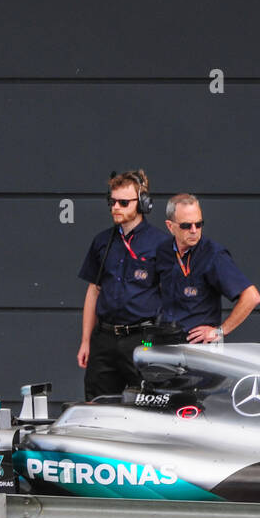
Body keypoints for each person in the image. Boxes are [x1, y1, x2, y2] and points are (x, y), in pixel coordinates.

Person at [76, 169, 167, 400]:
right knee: (97, 404)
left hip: (142, 337)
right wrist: (86, 341)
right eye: (112, 201)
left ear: (143, 204)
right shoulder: (102, 241)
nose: (116, 207)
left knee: (150, 402)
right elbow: (93, 291)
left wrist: (160, 341)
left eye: (124, 202)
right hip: (105, 337)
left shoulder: (161, 243)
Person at [155, 194, 260, 343]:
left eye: (199, 224)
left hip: (198, 347)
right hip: (164, 342)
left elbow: (252, 297)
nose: (194, 230)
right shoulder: (163, 251)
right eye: (186, 225)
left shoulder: (213, 255)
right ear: (170, 226)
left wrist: (220, 331)